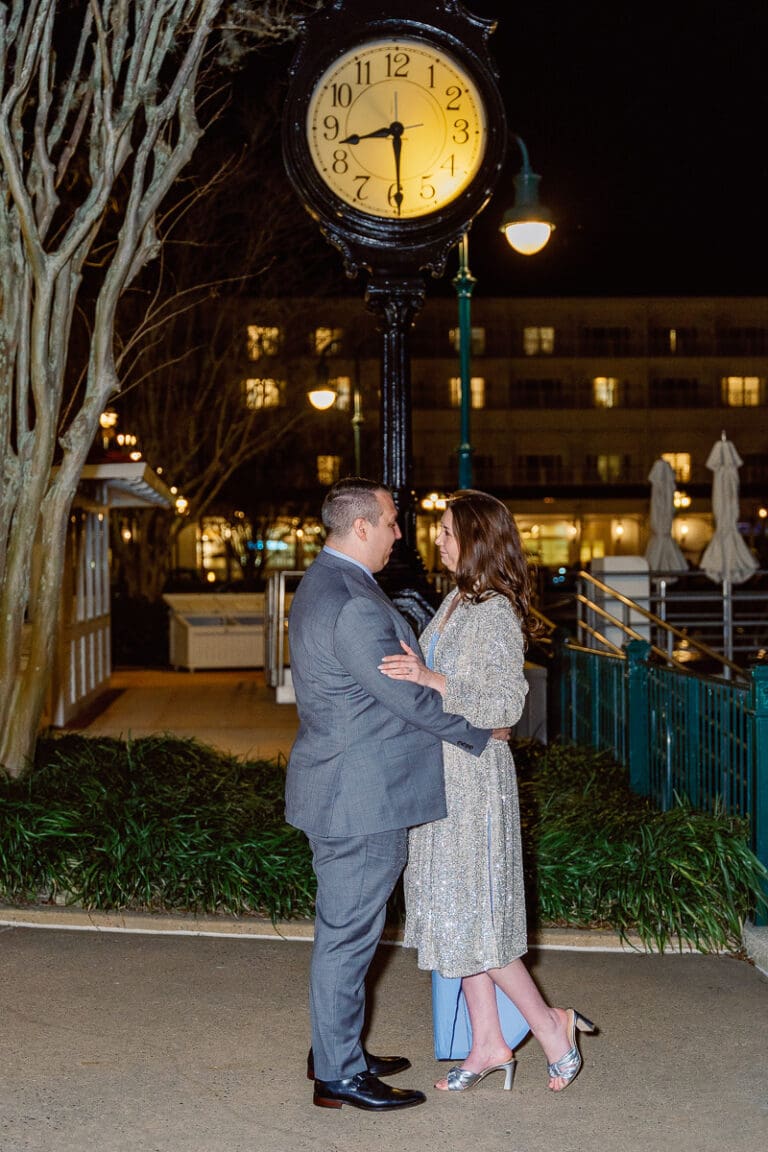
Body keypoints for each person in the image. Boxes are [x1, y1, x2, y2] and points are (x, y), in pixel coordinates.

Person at [285, 478, 510, 1112]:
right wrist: (479, 732)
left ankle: (338, 1050)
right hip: (358, 796)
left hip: (347, 786)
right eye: (390, 522)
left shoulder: (327, 583)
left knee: (346, 931)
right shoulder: (352, 601)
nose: (399, 532)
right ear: (361, 528)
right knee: (347, 936)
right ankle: (338, 1074)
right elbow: (404, 699)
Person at [379, 490, 596, 1093]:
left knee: (480, 920)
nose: (438, 540)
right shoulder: (454, 601)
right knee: (456, 919)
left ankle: (552, 1027)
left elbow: (505, 706)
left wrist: (428, 675)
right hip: (443, 773)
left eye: (447, 531)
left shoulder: (496, 610)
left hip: (473, 783)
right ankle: (487, 1042)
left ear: (476, 539)